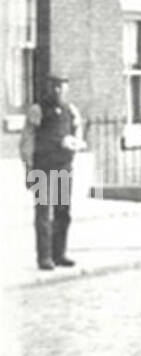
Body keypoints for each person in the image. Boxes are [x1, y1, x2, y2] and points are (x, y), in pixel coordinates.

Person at [19, 73, 85, 270]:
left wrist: (74, 145)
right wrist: (28, 167)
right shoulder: (37, 110)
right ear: (48, 89)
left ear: (67, 90)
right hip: (41, 168)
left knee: (62, 211)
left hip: (63, 167)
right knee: (43, 212)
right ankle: (44, 257)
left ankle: (60, 253)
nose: (57, 91)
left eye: (62, 87)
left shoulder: (71, 110)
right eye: (54, 87)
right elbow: (27, 140)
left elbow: (77, 130)